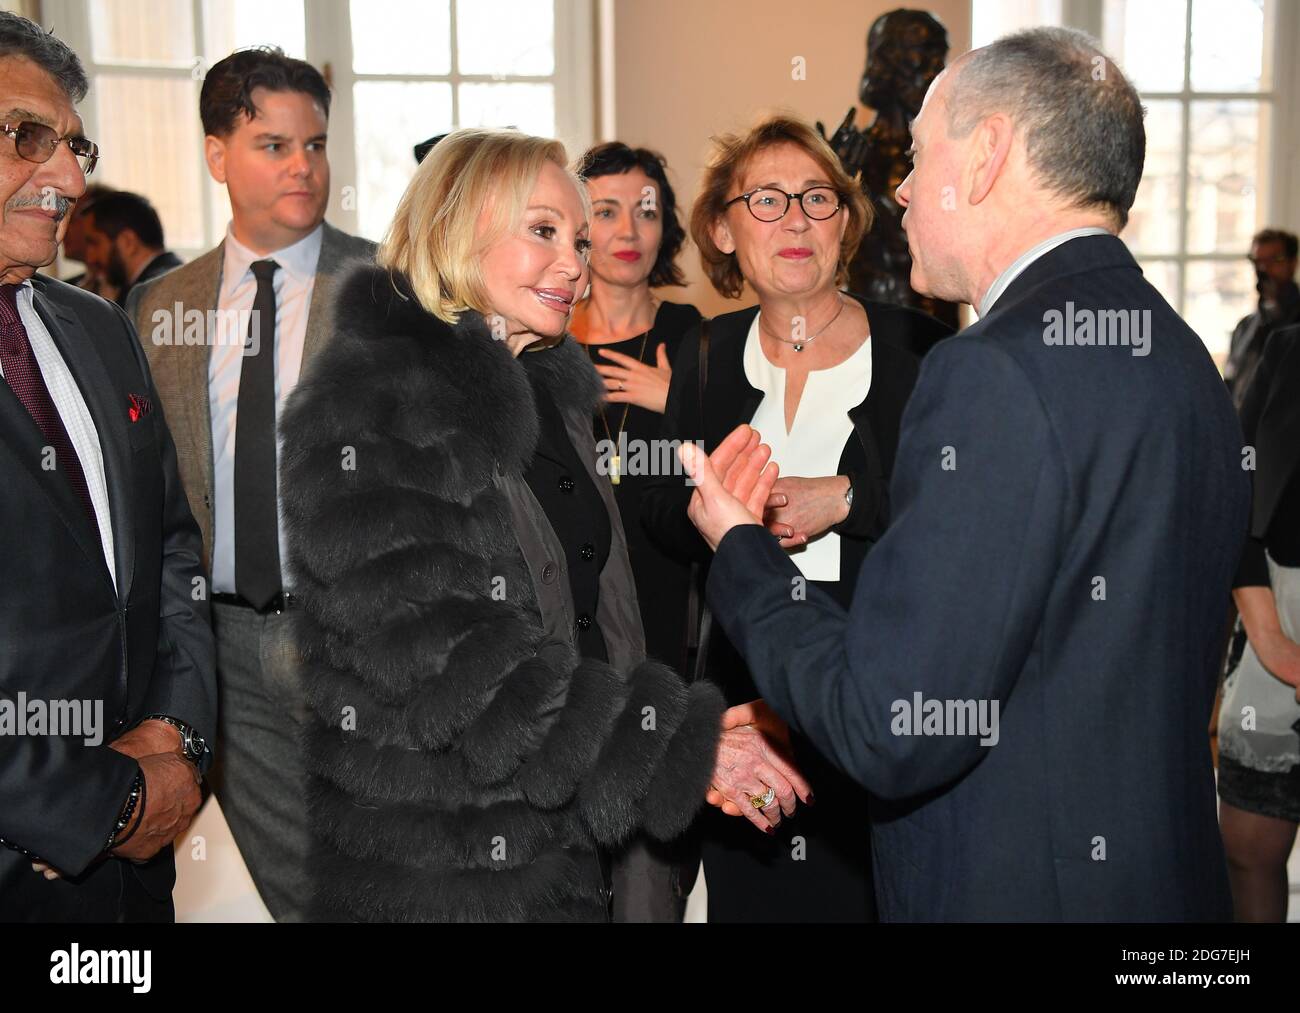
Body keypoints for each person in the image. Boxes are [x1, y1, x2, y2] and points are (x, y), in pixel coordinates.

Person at [678, 28, 1249, 921]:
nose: (898, 189)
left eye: (917, 155)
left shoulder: (990, 368)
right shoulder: (1178, 353)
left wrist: (742, 547)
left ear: (983, 158)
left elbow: (893, 726)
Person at [278, 128, 807, 922]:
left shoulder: (548, 391)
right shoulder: (372, 401)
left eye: (581, 241)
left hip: (571, 834)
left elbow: (596, 621)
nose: (576, 264)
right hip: (449, 864)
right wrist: (677, 746)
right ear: (459, 226)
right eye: (545, 231)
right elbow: (452, 662)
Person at [642, 115, 951, 922]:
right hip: (748, 704)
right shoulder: (706, 357)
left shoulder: (922, 348)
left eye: (818, 199)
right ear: (723, 227)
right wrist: (714, 511)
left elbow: (965, 516)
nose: (796, 221)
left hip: (882, 689)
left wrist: (846, 498)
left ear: (845, 223)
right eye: (767, 200)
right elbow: (666, 532)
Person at [128, 46, 375, 922]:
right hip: (223, 648)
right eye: (273, 145)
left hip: (358, 635)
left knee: (396, 873)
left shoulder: (389, 288)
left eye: (315, 143)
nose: (303, 165)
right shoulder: (160, 309)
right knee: (300, 895)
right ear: (214, 154)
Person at [0, 11, 215, 922]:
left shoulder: (97, 327)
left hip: (130, 883)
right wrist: (99, 801)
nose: (71, 177)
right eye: (27, 137)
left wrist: (174, 740)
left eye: (75, 144)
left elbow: (170, 551)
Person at [568, 141, 703, 921]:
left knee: (651, 879)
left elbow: (745, 477)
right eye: (606, 210)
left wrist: (676, 395)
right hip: (576, 639)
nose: (629, 228)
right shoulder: (545, 339)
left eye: (646, 210)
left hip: (668, 626)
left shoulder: (698, 340)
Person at [1218, 321, 1300, 922]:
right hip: (1275, 615)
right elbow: (1235, 491)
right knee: (1248, 849)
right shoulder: (1287, 346)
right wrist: (1271, 641)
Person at [1224, 229, 1299, 400]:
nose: (1264, 269)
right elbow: (1230, 383)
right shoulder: (1245, 327)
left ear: (1293, 263)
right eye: (1258, 261)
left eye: (1275, 260)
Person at [81, 190, 181, 308]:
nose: (90, 258)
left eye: (94, 243)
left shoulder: (152, 293)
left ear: (128, 242)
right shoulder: (173, 278)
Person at [59, 180, 115, 296]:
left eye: (72, 218)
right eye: (61, 217)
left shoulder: (140, 291)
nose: (61, 225)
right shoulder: (59, 293)